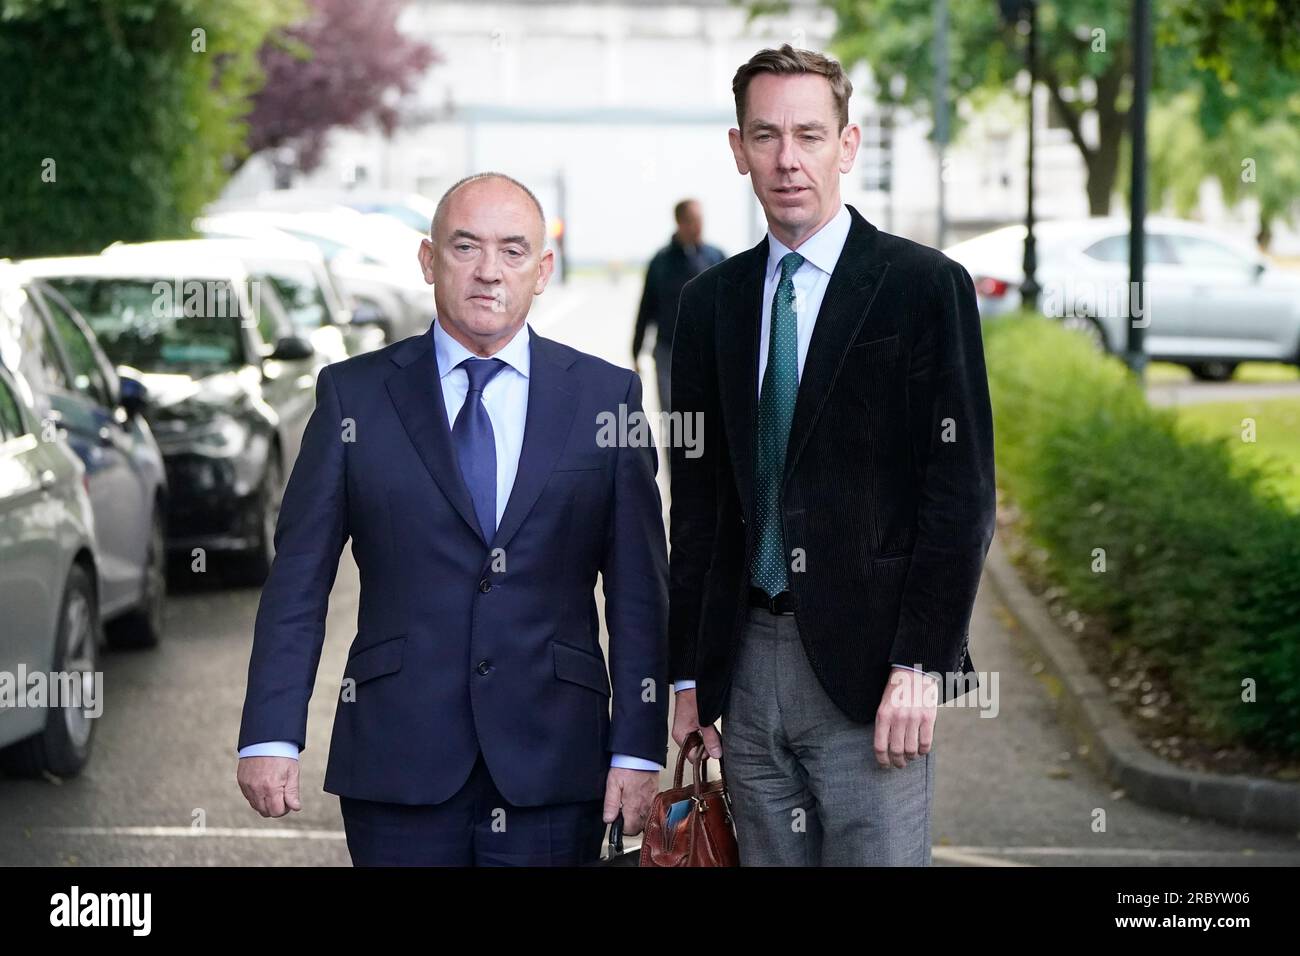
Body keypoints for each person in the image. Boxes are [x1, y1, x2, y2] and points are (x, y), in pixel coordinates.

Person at [236, 172, 669, 866]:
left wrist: (639, 746)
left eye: (513, 251)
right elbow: (298, 579)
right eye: (465, 247)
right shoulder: (353, 396)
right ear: (428, 260)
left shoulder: (605, 398)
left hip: (555, 764)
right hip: (397, 761)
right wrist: (269, 734)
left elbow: (641, 594)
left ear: (543, 271)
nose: (489, 272)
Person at [667, 45, 996, 866]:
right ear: (738, 149)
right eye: (766, 135)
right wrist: (688, 680)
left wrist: (923, 661)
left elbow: (961, 495)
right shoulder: (709, 304)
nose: (788, 159)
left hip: (872, 675)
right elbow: (699, 505)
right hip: (745, 669)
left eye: (810, 135)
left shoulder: (924, 287)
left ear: (846, 146)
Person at [631, 199, 724, 412]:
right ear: (679, 222)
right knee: (674, 416)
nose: (699, 226)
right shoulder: (661, 262)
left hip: (708, 351)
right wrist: (636, 351)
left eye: (701, 220)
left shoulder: (715, 257)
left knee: (707, 418)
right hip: (668, 351)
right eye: (693, 221)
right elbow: (646, 308)